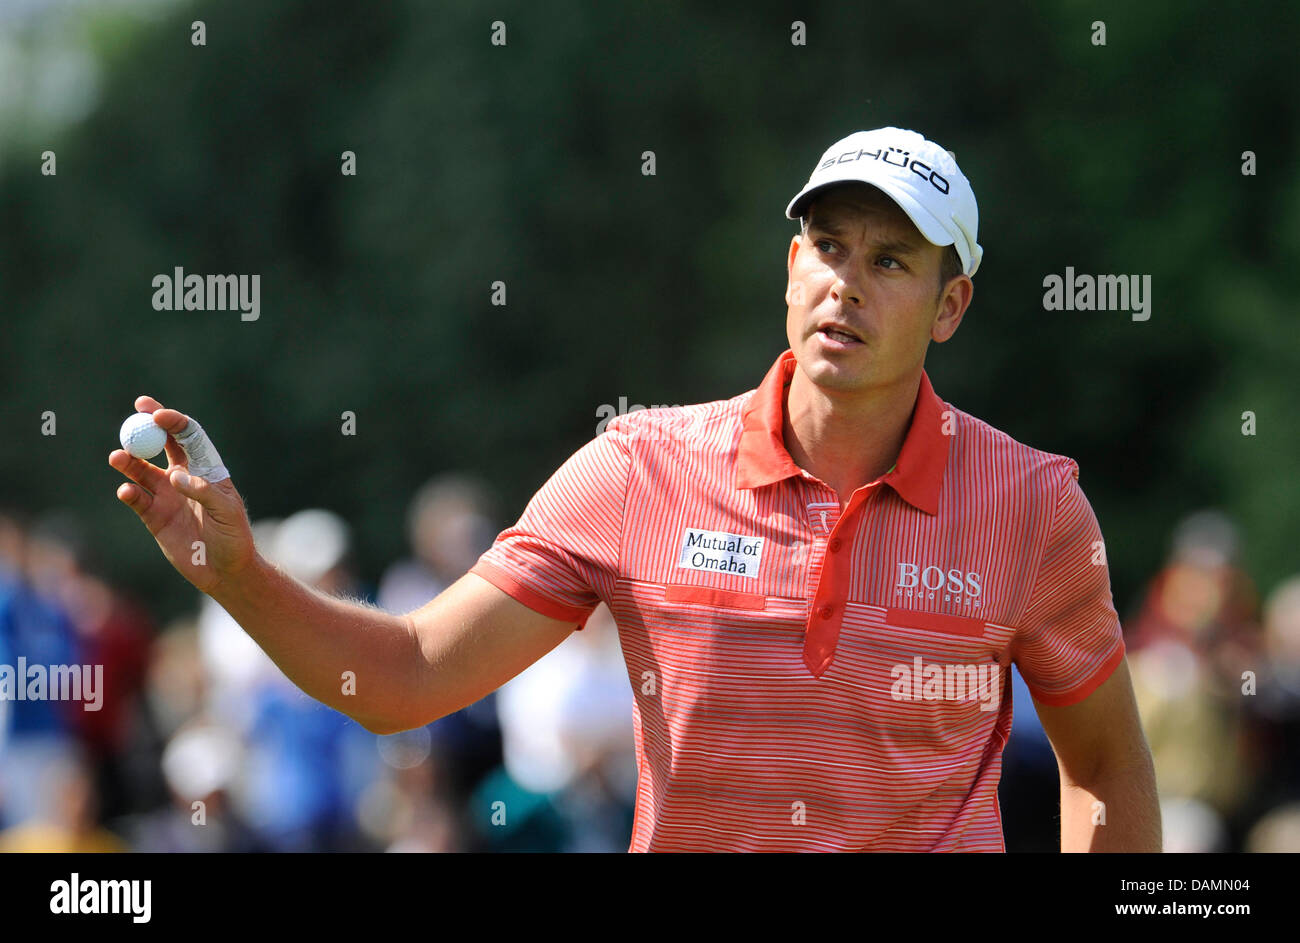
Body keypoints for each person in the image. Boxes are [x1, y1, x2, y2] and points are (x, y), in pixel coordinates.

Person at [108, 126, 1159, 852]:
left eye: (890, 262)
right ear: (791, 265)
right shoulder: (640, 468)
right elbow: (402, 677)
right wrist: (236, 572)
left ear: (949, 305)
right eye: (828, 247)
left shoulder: (1030, 506)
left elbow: (1106, 768)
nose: (846, 281)